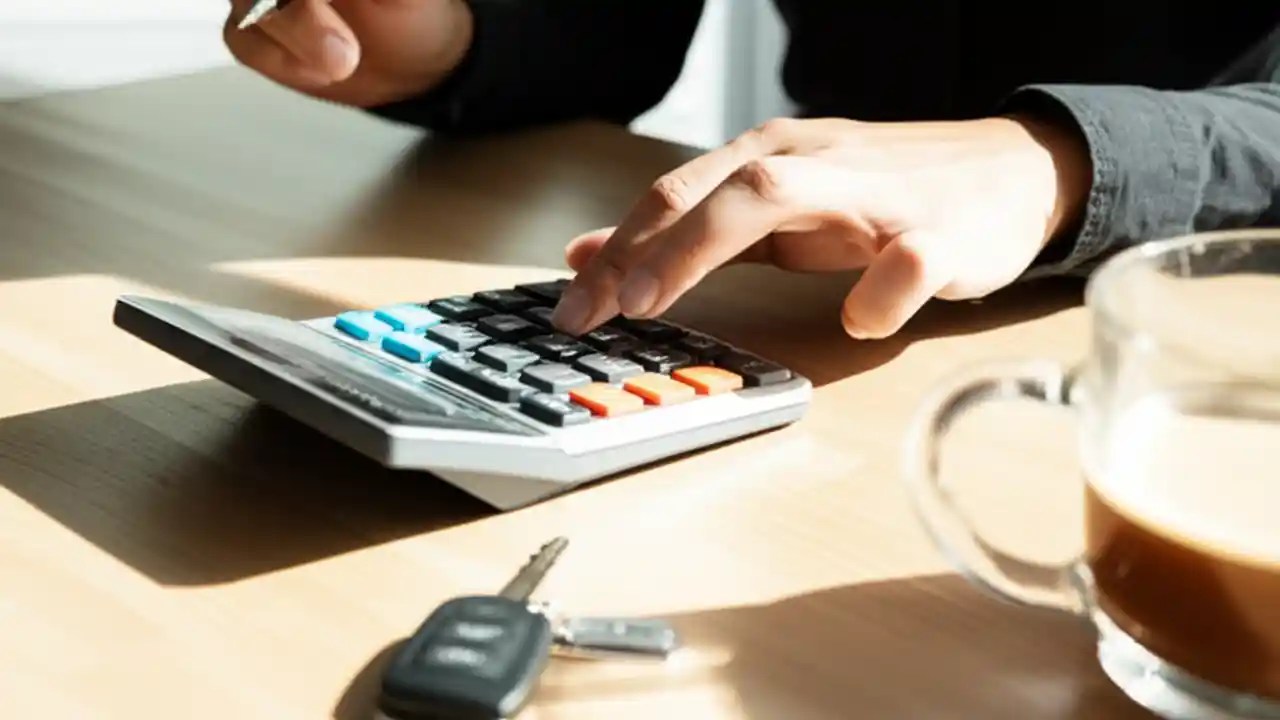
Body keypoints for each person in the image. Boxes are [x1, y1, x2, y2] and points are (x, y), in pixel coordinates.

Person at [223, 2, 1280, 340]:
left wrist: (1056, 159)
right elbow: (619, 28)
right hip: (802, 309)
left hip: (1201, 356)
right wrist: (455, 35)